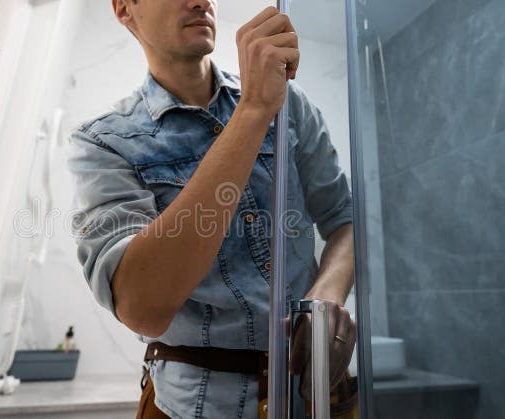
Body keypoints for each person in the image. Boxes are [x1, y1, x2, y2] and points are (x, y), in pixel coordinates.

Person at [67, 1, 356, 417]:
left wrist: (326, 297)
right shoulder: (104, 142)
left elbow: (344, 219)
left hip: (318, 397)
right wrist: (253, 110)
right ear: (125, 9)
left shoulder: (290, 103)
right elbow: (143, 307)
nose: (202, 0)